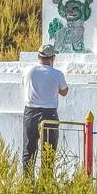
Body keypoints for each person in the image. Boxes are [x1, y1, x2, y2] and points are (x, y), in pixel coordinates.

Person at [22, 43, 69, 174]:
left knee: (28, 151)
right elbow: (64, 92)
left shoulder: (27, 70)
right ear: (52, 58)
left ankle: (27, 185)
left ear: (38, 56)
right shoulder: (57, 74)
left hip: (30, 112)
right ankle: (46, 185)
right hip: (49, 114)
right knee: (48, 152)